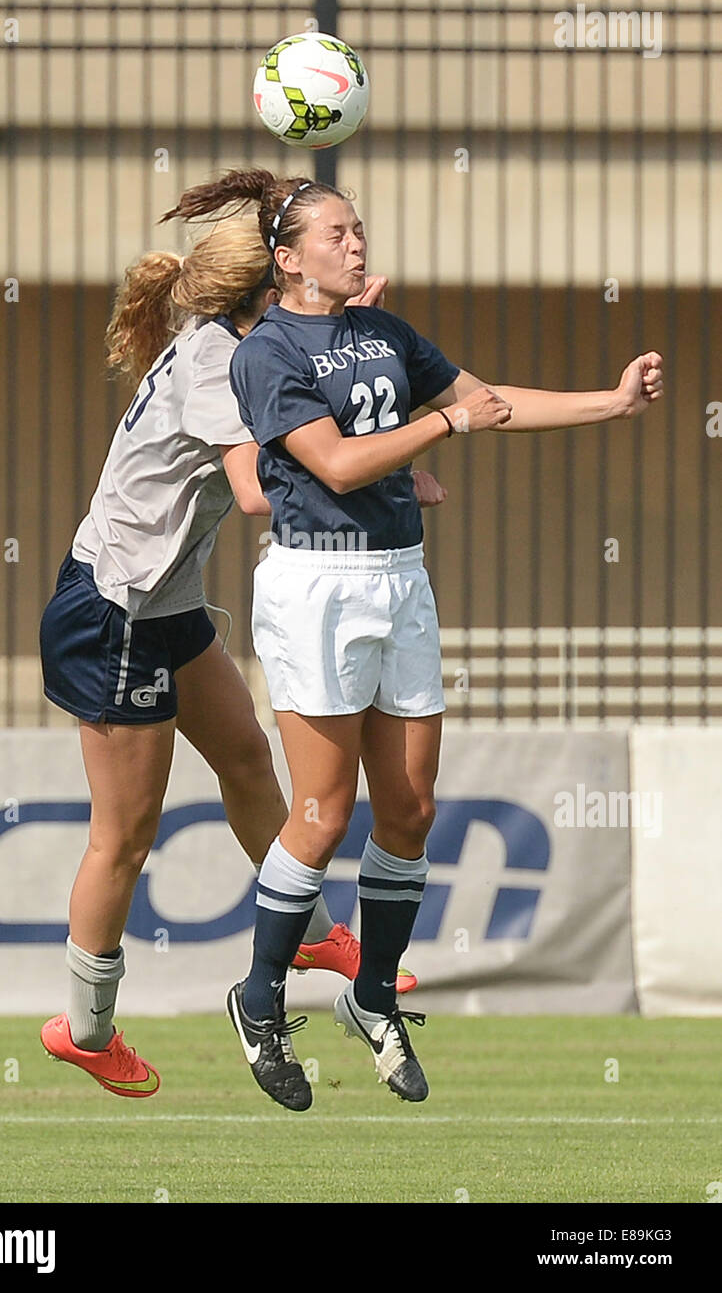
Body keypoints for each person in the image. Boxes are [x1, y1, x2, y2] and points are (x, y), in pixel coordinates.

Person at [170, 166, 664, 1113]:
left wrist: (611, 402)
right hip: (316, 584)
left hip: (400, 579)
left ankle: (372, 996)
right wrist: (445, 421)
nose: (357, 245)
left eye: (359, 231)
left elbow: (493, 399)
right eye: (337, 235)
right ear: (287, 259)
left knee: (411, 811)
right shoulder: (265, 351)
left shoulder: (385, 333)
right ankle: (261, 999)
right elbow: (339, 465)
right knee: (320, 814)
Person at [37, 216, 436, 1098]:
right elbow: (260, 491)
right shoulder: (222, 361)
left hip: (165, 602)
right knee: (124, 836)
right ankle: (86, 1029)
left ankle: (317, 934)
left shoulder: (229, 336)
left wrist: (349, 357)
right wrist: (372, 430)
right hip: (116, 610)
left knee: (250, 761)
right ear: (268, 292)